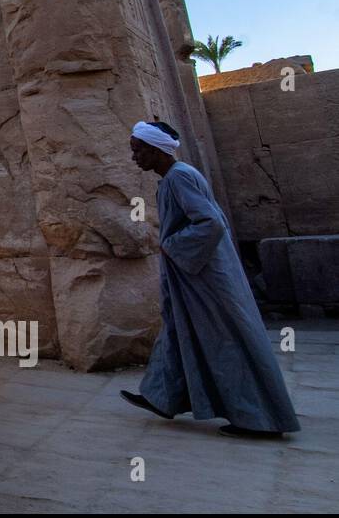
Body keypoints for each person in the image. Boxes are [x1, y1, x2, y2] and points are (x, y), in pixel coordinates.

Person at [120, 120, 300, 438]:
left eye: (137, 151)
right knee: (178, 330)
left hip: (206, 276)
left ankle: (259, 419)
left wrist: (171, 245)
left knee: (225, 341)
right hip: (192, 274)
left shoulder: (179, 178)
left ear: (153, 149)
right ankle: (162, 396)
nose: (134, 158)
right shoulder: (173, 178)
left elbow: (210, 223)